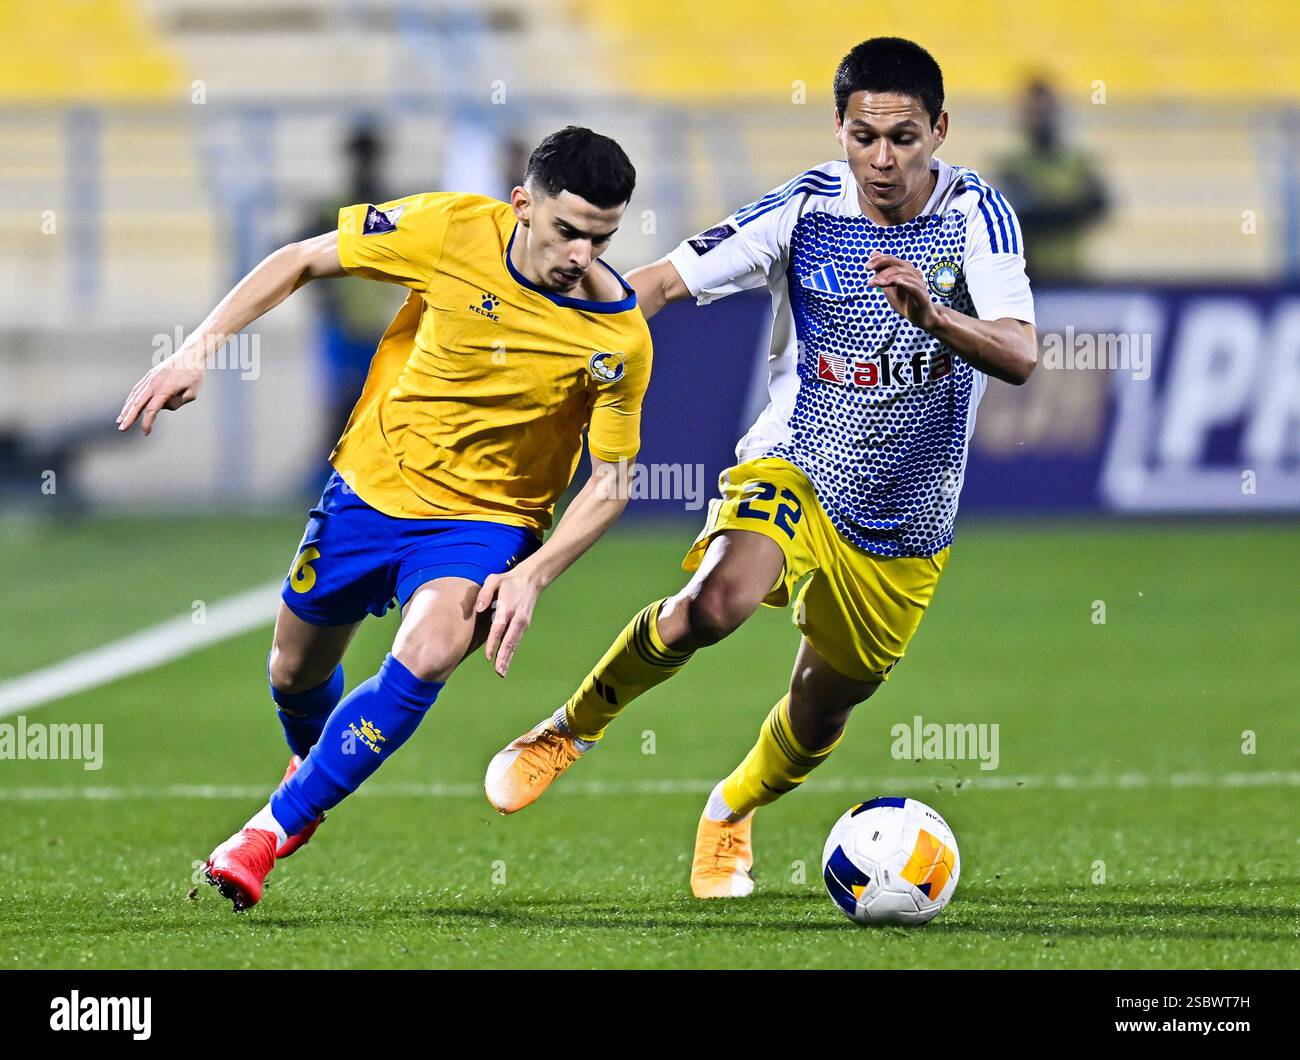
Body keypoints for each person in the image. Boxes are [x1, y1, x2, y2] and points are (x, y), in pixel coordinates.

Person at [483, 38, 1037, 899]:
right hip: (798, 462)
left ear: (941, 130)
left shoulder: (978, 219)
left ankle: (730, 808)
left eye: (903, 137)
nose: (881, 159)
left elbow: (1019, 354)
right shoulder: (807, 207)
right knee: (715, 601)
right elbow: (660, 283)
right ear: (840, 130)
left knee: (822, 709)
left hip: (906, 519)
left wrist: (932, 313)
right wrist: (560, 333)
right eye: (863, 137)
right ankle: (568, 728)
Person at [116, 126, 651, 910]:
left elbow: (610, 484)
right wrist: (196, 349)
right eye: (566, 230)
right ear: (521, 206)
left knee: (431, 649)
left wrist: (533, 572)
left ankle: (264, 833)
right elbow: (300, 259)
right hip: (370, 488)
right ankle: (314, 769)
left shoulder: (618, 338)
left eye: (600, 238)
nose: (580, 255)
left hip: (486, 521)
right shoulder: (448, 229)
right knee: (293, 673)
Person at [993, 78, 1108, 282]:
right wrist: (1070, 209)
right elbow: (1021, 216)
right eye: (1035, 114)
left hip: (1073, 272)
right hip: (1031, 275)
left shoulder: (1077, 162)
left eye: (1045, 113)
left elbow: (1100, 205)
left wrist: (1047, 208)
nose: (1042, 121)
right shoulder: (1013, 166)